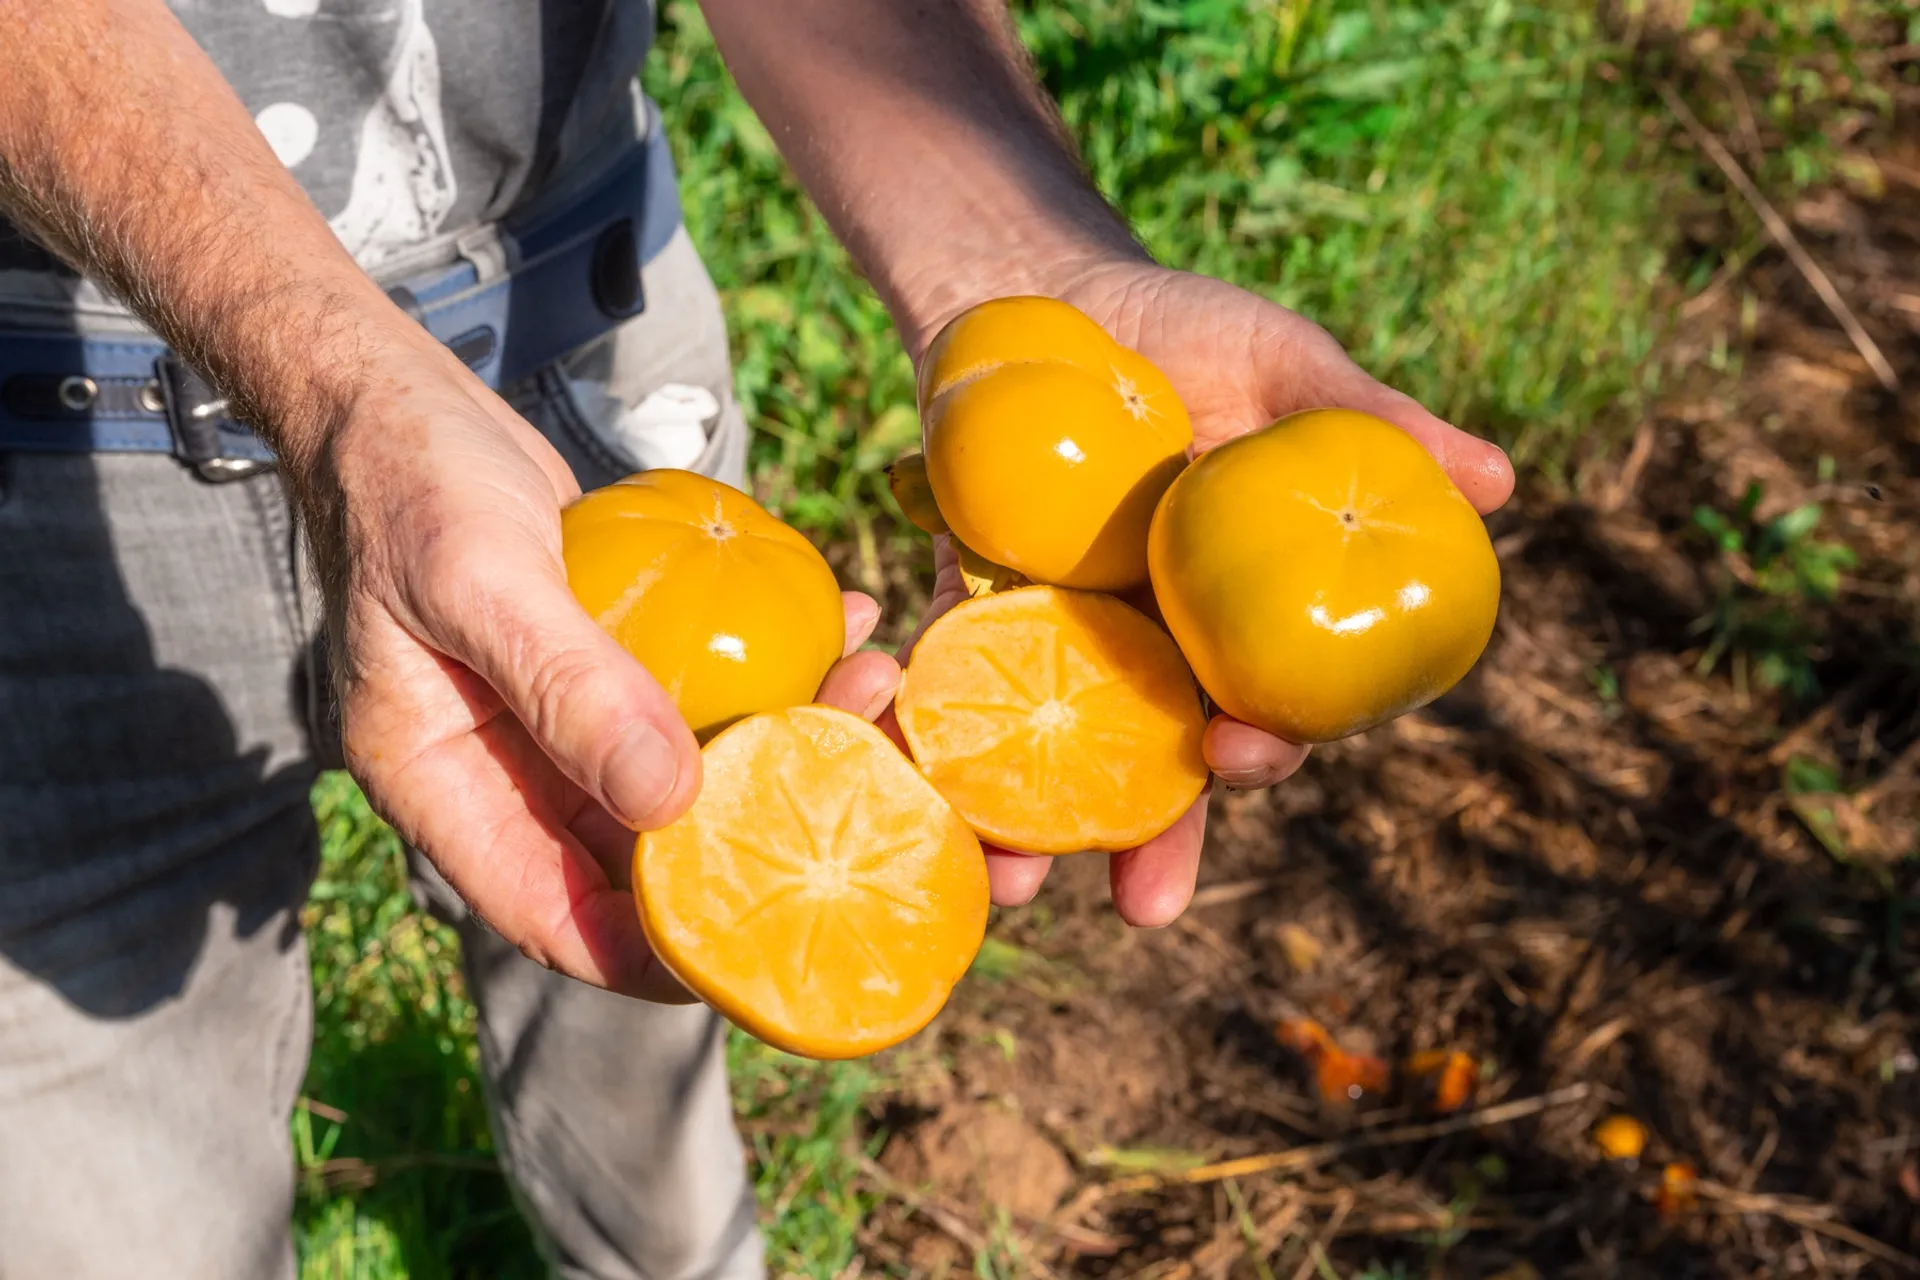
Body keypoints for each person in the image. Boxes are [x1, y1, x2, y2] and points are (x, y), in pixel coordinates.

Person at [0, 2, 1515, 1276]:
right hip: (46, 456)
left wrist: (1030, 279)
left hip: (584, 333)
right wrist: (339, 384)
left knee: (654, 1030)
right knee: (102, 1193)